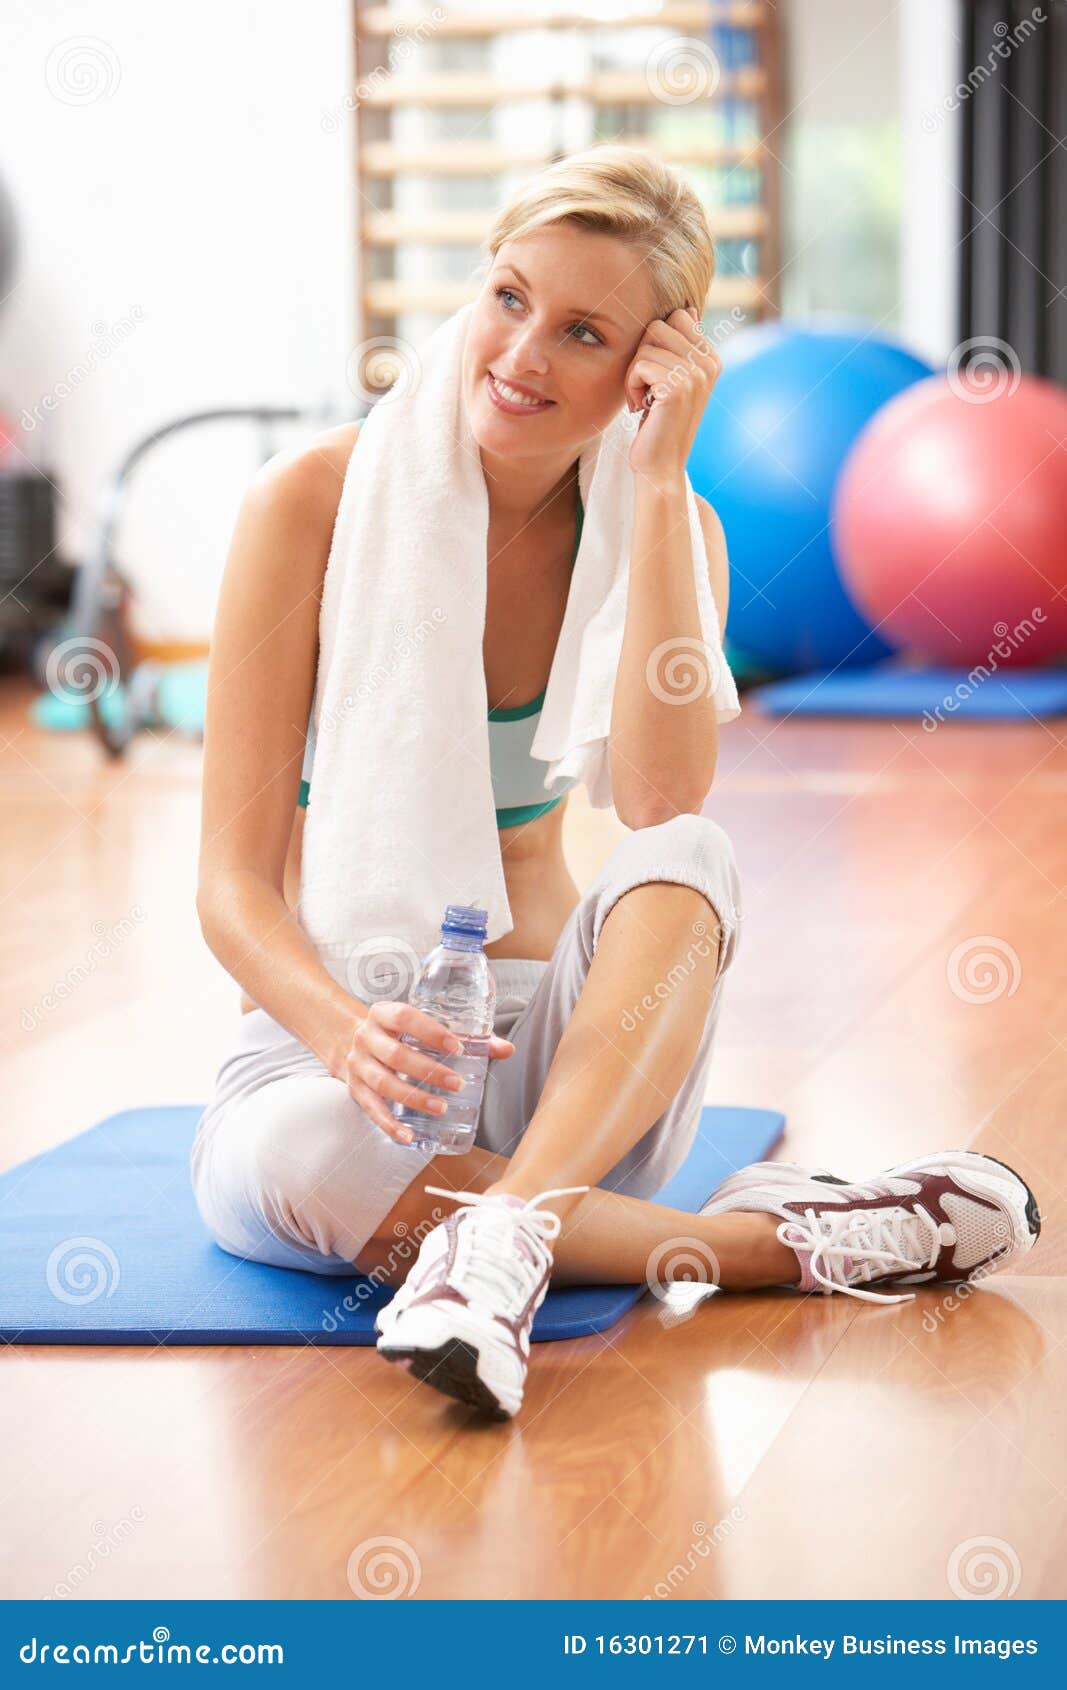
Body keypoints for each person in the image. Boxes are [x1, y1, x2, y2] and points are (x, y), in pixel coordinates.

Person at [193, 145, 1040, 1422]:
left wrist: (651, 483)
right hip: (345, 1064)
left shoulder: (672, 525)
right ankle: (770, 1243)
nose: (521, 353)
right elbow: (228, 884)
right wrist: (341, 1035)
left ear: (650, 366)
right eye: (508, 297)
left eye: (580, 330)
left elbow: (655, 799)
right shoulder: (307, 504)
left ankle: (512, 1220)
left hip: (572, 1070)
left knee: (692, 852)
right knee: (306, 1155)